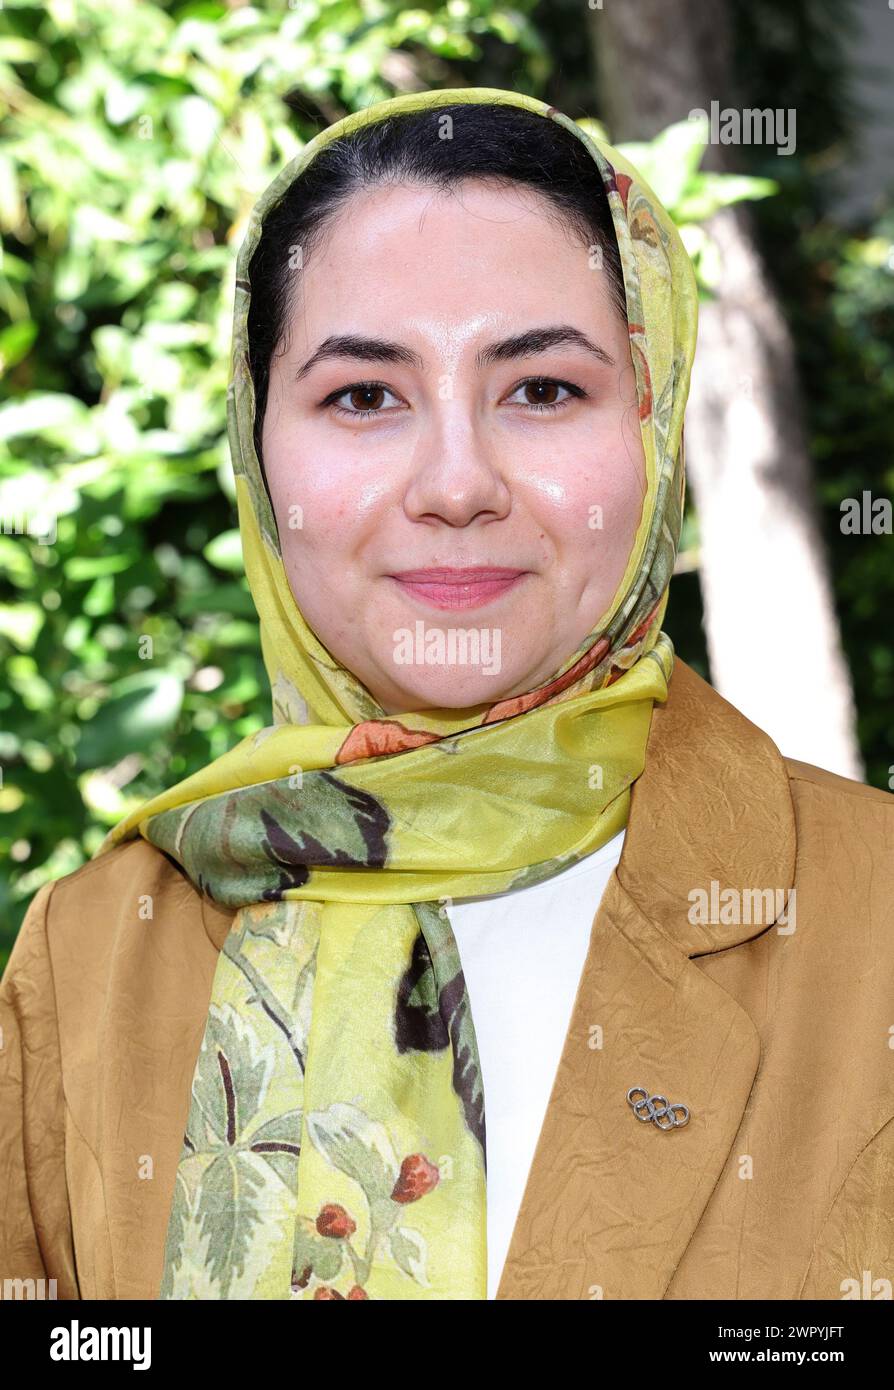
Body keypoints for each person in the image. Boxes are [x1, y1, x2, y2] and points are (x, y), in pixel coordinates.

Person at [1, 87, 892, 1303]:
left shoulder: (871, 923)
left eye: (542, 390)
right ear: (256, 446)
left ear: (653, 415)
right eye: (364, 395)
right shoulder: (92, 954)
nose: (458, 482)